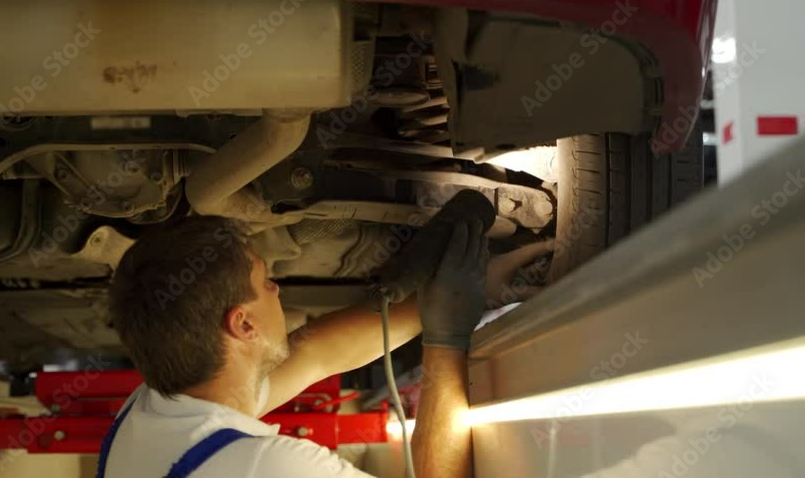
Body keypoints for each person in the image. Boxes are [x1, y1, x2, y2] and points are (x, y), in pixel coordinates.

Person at [101, 197, 550, 478]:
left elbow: (314, 352)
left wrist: (457, 295)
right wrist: (446, 341)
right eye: (265, 281)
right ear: (243, 325)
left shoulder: (150, 413)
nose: (276, 290)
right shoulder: (266, 467)